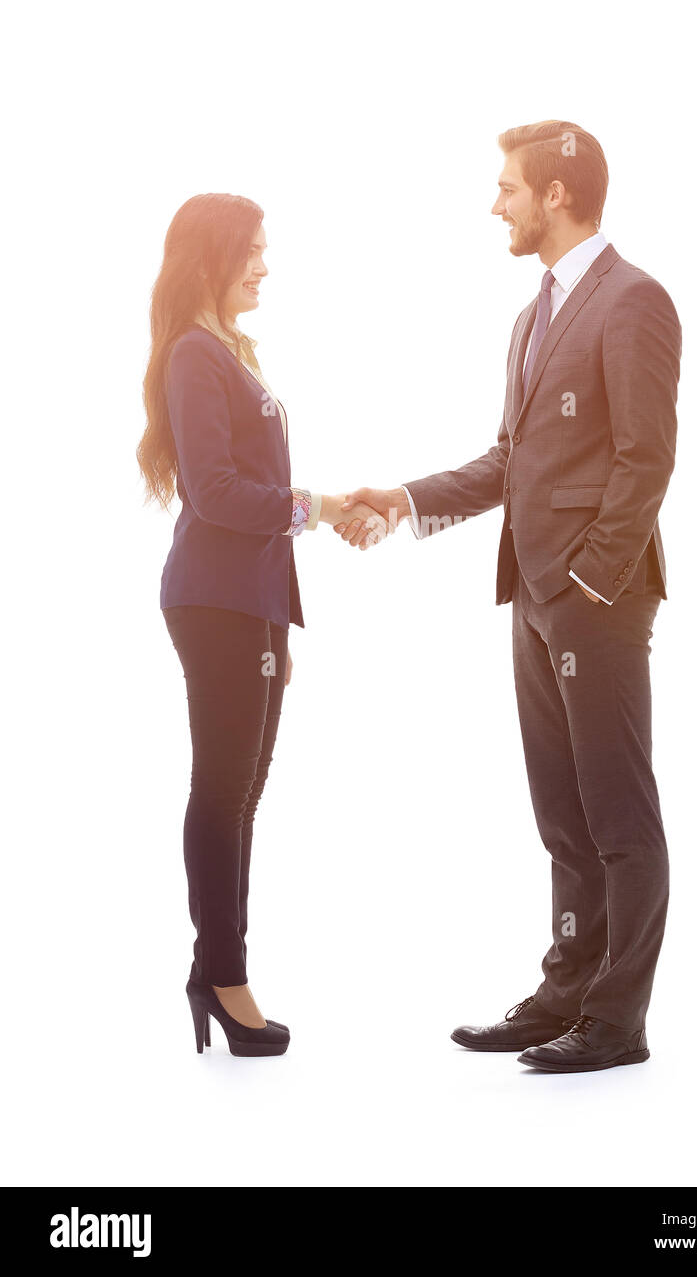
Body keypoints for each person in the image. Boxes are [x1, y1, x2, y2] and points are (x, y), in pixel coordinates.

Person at [335, 121, 681, 1073]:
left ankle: (618, 1022)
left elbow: (644, 457)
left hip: (593, 595)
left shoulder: (635, 300)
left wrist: (586, 577)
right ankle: (566, 990)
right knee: (561, 811)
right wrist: (403, 501)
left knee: (616, 809)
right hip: (528, 592)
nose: (497, 204)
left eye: (507, 188)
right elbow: (509, 462)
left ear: (557, 193)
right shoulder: (530, 317)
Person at [137, 193, 385, 1058]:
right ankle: (222, 974)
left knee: (239, 793)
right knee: (221, 789)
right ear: (211, 254)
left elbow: (243, 493)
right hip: (216, 601)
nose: (265, 267)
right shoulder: (195, 357)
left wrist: (309, 528)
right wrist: (316, 505)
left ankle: (220, 968)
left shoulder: (224, 353)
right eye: (252, 251)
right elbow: (215, 494)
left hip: (253, 602)